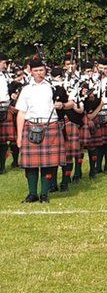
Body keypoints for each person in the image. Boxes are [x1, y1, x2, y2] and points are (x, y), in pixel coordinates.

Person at [15, 57, 66, 203]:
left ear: (45, 71)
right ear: (30, 71)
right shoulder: (26, 89)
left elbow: (69, 103)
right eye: (36, 71)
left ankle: (44, 194)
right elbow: (21, 113)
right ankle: (32, 194)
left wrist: (61, 105)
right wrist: (19, 136)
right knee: (30, 164)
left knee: (48, 163)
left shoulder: (54, 87)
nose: (39, 73)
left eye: (41, 70)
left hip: (50, 126)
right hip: (30, 126)